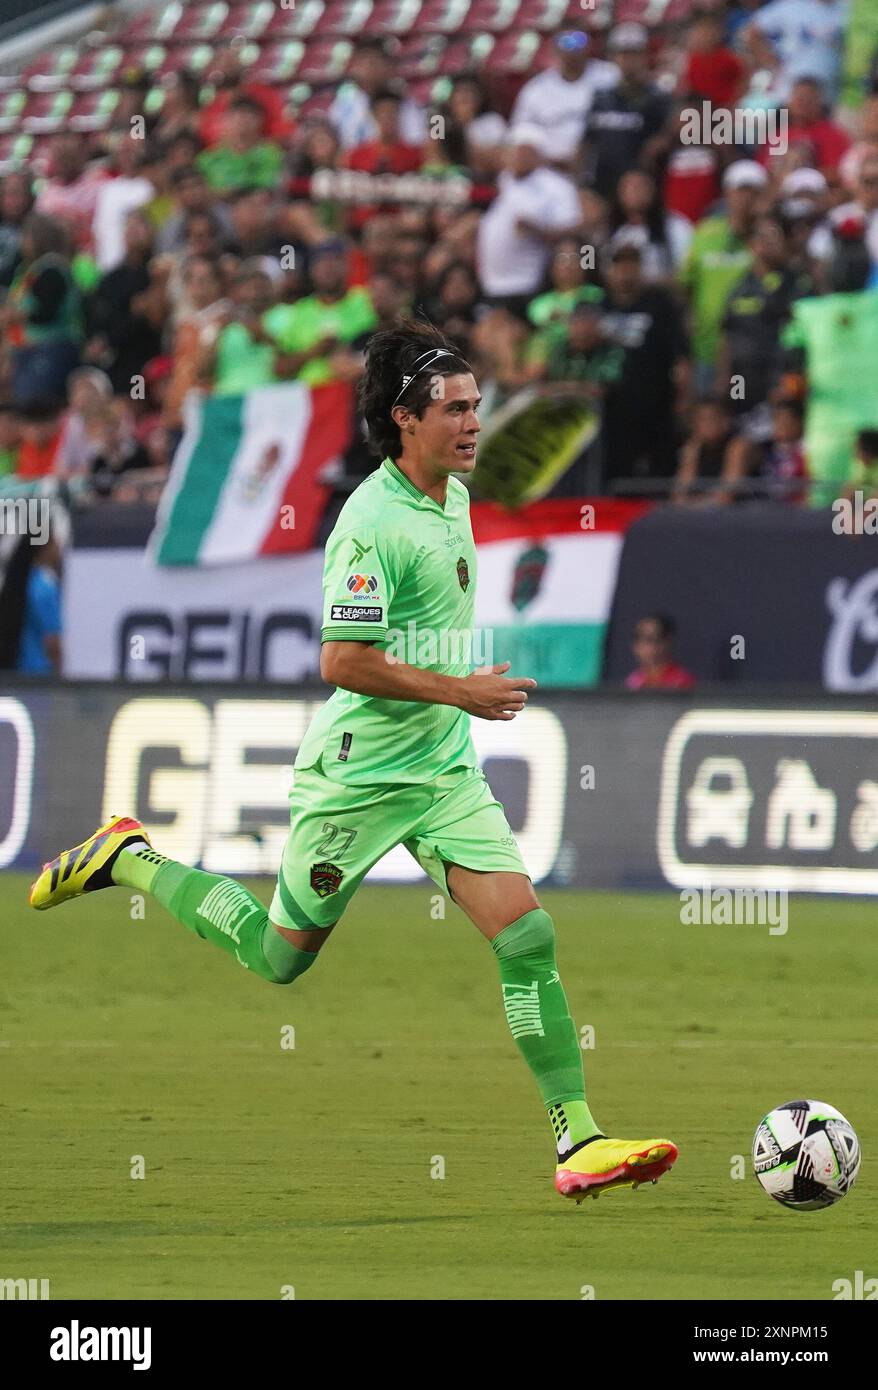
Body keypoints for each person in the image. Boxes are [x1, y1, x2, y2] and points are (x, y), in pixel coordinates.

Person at [29, 317, 678, 1204]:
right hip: (360, 776)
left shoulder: (450, 491)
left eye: (477, 406)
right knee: (277, 958)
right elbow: (341, 661)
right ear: (407, 419)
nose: (473, 424)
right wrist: (460, 692)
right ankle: (130, 858)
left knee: (527, 935)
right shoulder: (367, 524)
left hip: (443, 770)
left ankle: (578, 1138)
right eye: (455, 409)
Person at [475, 125, 582, 315]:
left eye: (524, 151)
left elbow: (573, 231)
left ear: (539, 155)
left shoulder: (557, 186)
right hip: (491, 283)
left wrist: (536, 229)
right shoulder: (502, 180)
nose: (518, 156)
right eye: (514, 150)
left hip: (528, 283)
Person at [509, 28, 619, 169]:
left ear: (590, 44)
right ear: (554, 48)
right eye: (566, 41)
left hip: (602, 165)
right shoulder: (537, 88)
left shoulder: (610, 76)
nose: (573, 48)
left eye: (579, 40)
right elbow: (520, 131)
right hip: (550, 169)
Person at [583, 23, 669, 199]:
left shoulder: (659, 99)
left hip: (641, 190)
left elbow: (666, 139)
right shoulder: (601, 98)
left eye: (634, 54)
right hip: (603, 186)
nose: (628, 60)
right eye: (623, 53)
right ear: (614, 57)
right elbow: (587, 141)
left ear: (645, 56)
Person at [625, 613, 695, 689]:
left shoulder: (682, 681)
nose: (648, 647)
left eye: (652, 639)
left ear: (667, 642)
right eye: (640, 639)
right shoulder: (633, 681)